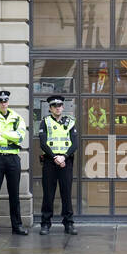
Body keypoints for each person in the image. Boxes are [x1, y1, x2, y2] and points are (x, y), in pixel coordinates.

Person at [0, 89, 28, 236]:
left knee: (14, 194)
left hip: (13, 159)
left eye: (6, 101)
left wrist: (1, 134)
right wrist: (10, 137)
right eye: (1, 101)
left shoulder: (17, 117)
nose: (4, 103)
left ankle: (17, 226)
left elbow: (20, 137)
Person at [38, 95, 78, 235]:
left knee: (66, 193)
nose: (58, 108)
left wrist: (64, 157)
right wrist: (55, 157)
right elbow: (43, 143)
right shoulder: (45, 122)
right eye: (54, 106)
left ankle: (69, 223)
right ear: (50, 108)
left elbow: (75, 144)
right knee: (48, 194)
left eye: (60, 105)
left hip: (65, 162)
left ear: (63, 107)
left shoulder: (71, 122)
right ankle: (45, 224)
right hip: (50, 161)